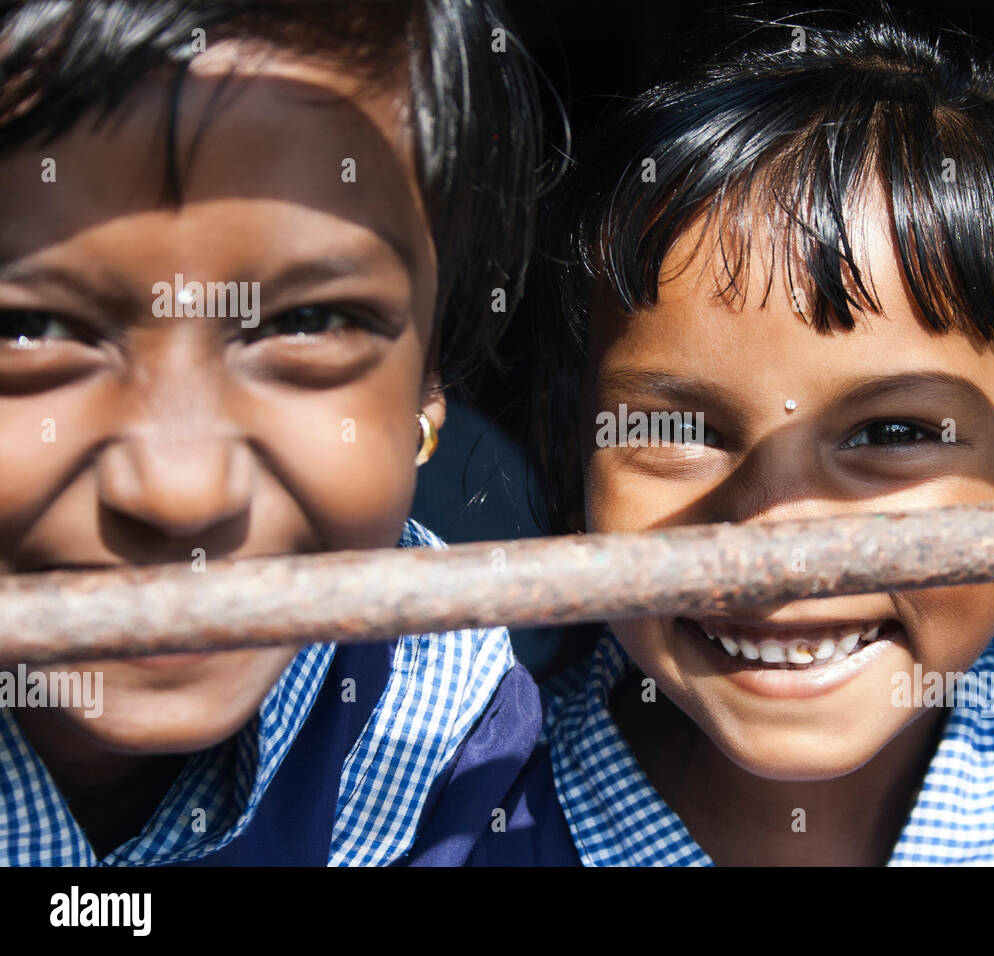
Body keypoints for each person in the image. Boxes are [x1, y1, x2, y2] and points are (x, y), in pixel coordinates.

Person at [524, 5, 994, 865]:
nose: (782, 543)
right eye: (682, 429)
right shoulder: (459, 808)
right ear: (572, 460)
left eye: (890, 429)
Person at [0, 0, 570, 866]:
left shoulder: (449, 741)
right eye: (30, 330)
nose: (181, 492)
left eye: (309, 319)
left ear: (429, 382)